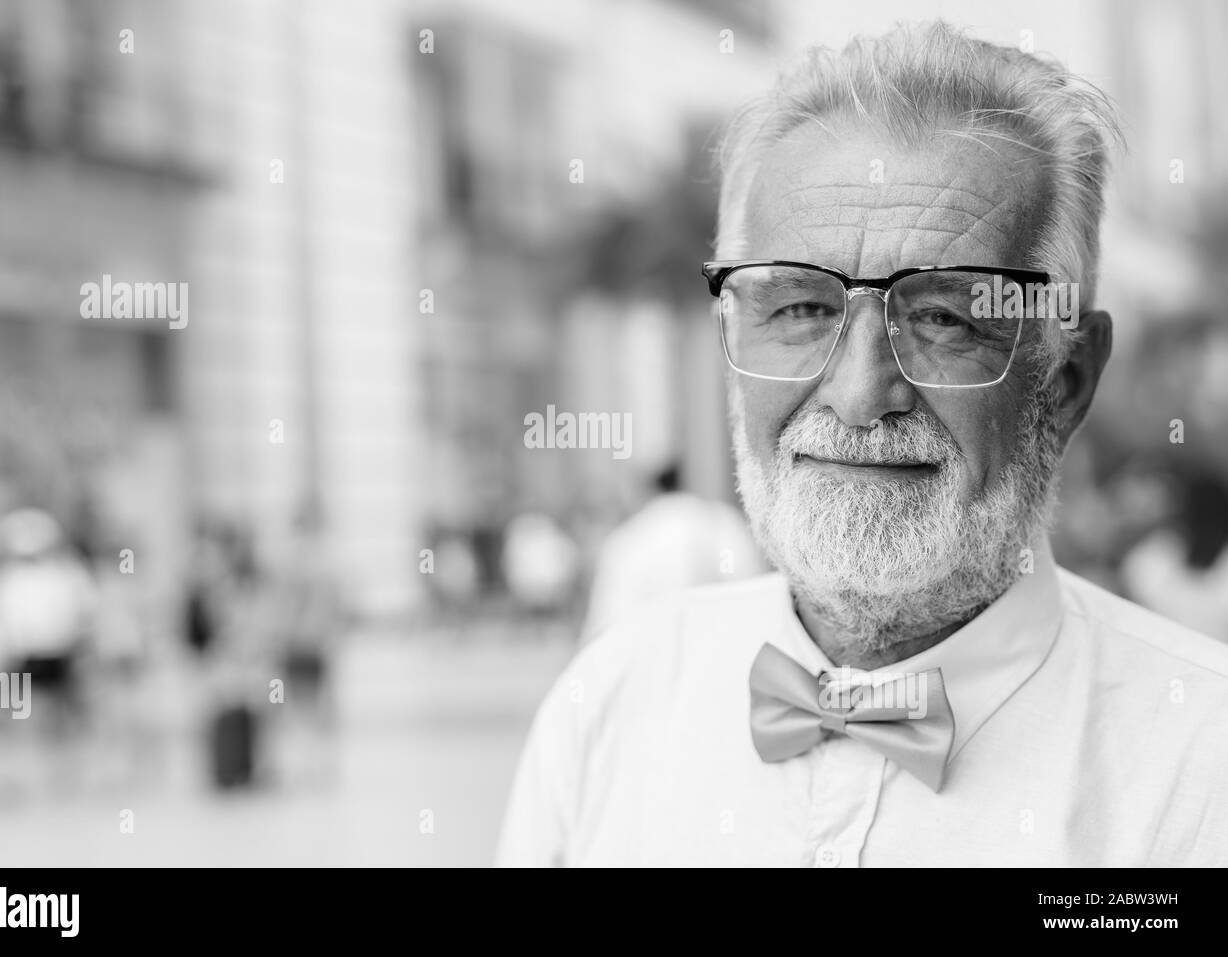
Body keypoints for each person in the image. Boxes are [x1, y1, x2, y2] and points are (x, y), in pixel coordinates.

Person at [496, 21, 1228, 867]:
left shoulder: (1201, 766)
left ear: (1065, 381)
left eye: (947, 317)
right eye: (801, 309)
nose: (858, 395)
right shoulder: (605, 710)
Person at [581, 463, 766, 640]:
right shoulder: (721, 521)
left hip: (652, 658)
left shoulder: (629, 541)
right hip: (722, 646)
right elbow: (746, 584)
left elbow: (607, 622)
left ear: (645, 488)